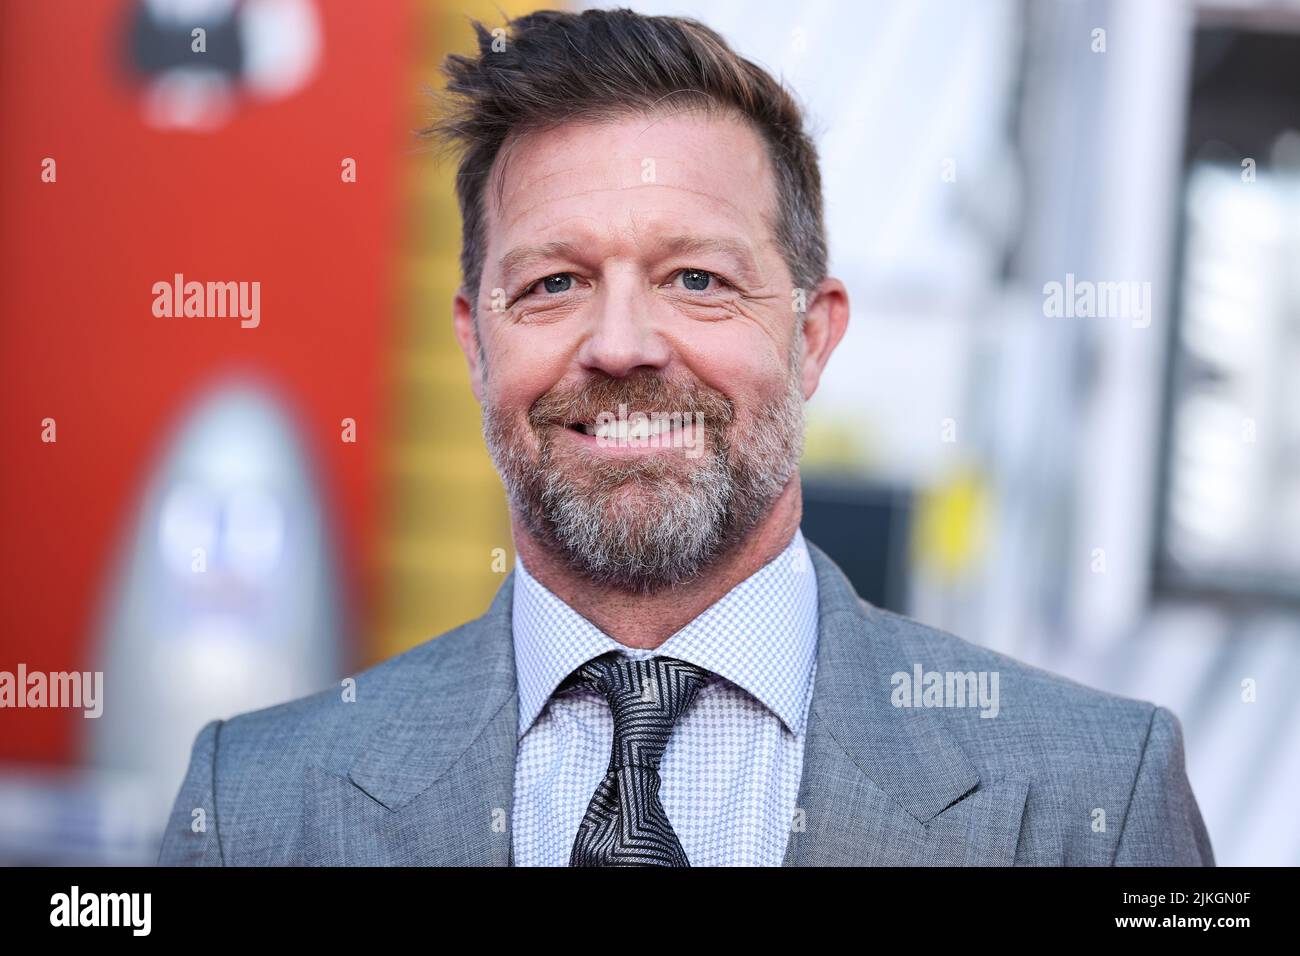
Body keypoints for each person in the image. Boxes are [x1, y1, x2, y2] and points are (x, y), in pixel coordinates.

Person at [159, 7, 1214, 867]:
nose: (620, 345)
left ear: (810, 336)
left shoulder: (1094, 799)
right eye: (553, 283)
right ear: (475, 344)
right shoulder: (251, 809)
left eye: (696, 279)